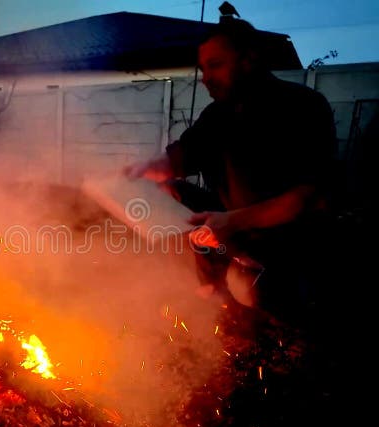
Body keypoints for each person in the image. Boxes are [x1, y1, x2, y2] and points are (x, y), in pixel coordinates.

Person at [125, 16, 338, 330]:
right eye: (203, 69)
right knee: (173, 193)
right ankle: (213, 291)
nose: (206, 78)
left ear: (249, 60)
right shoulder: (217, 115)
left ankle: (283, 329)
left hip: (291, 250)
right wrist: (142, 172)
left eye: (215, 65)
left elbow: (307, 198)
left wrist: (232, 221)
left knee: (272, 312)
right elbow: (177, 158)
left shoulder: (302, 106)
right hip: (232, 237)